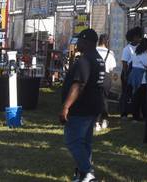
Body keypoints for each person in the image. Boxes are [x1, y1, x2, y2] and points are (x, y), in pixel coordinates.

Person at [59, 29, 105, 182]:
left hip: (81, 108)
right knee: (84, 142)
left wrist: (66, 106)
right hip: (93, 107)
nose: (76, 43)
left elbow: (79, 85)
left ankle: (87, 172)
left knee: (72, 140)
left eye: (79, 40)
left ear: (86, 42)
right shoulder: (98, 59)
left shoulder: (85, 60)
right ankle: (82, 174)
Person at [94, 34, 117, 131]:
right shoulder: (110, 52)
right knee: (104, 99)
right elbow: (112, 68)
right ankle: (104, 120)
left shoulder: (94, 50)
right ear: (107, 42)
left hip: (95, 76)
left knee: (95, 99)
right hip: (106, 77)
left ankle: (96, 122)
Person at [119, 27, 143, 119]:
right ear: (133, 37)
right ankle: (124, 113)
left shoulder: (140, 48)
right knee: (126, 93)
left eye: (139, 37)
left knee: (136, 94)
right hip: (128, 73)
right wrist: (125, 75)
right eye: (137, 37)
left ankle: (135, 113)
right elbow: (124, 62)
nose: (139, 39)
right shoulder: (127, 49)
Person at [128, 37, 147, 121]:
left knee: (135, 98)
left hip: (135, 78)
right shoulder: (144, 55)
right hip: (142, 80)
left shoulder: (135, 53)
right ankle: (144, 116)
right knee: (142, 99)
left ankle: (135, 116)